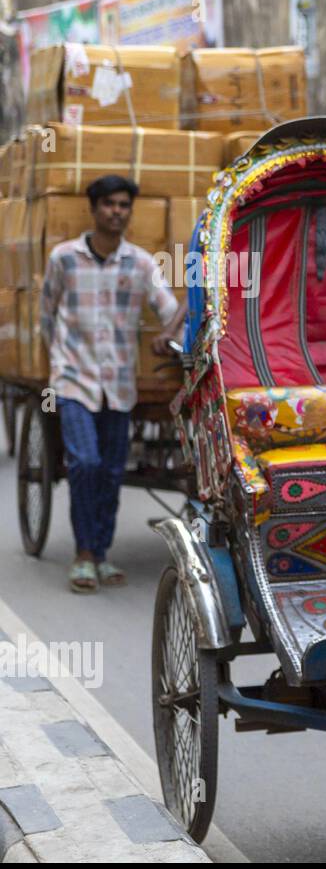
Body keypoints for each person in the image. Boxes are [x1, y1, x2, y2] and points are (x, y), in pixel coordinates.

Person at [40, 174, 185, 593]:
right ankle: (84, 554)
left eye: (123, 205)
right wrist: (59, 361)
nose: (116, 211)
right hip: (72, 381)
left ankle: (100, 554)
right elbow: (47, 315)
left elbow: (170, 309)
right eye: (109, 204)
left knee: (109, 472)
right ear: (94, 208)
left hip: (119, 384)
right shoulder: (63, 258)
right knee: (84, 462)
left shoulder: (139, 263)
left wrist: (168, 335)